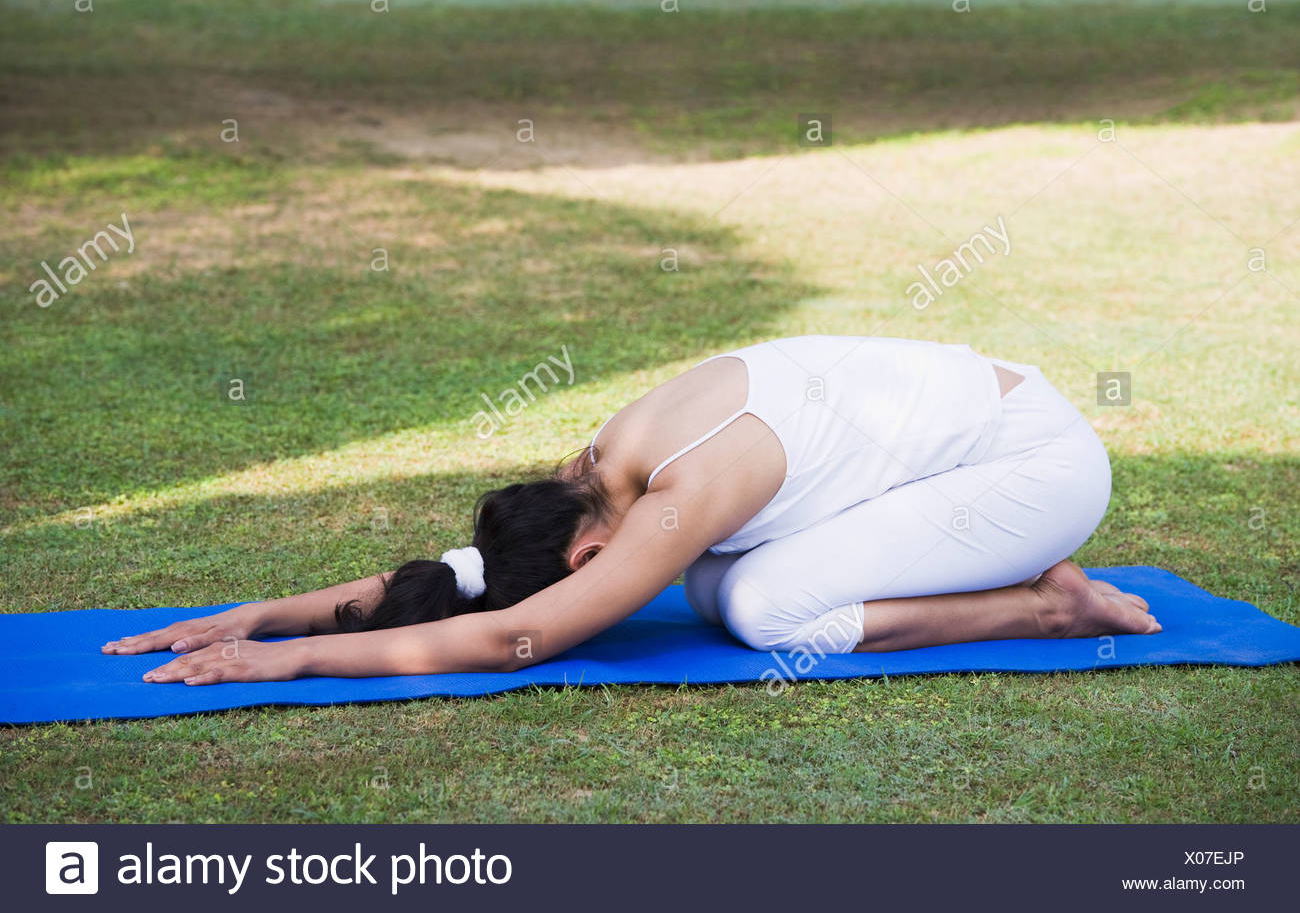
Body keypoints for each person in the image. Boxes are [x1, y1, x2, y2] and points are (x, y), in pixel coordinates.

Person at [103, 335, 1160, 685]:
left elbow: (520, 630)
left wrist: (293, 660)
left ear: (594, 549)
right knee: (712, 583)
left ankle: (1045, 609)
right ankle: (1031, 595)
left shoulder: (680, 488)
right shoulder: (603, 459)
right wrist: (272, 609)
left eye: (601, 572)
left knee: (762, 611)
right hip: (973, 424)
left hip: (1036, 468)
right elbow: (478, 572)